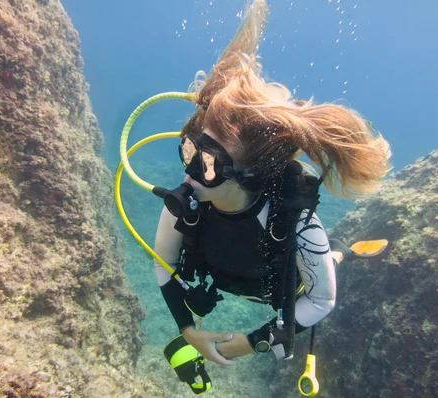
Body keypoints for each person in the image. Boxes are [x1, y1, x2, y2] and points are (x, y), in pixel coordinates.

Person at [154, 0, 391, 367]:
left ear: (246, 174)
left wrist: (253, 341)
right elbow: (162, 265)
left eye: (207, 163)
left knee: (329, 257)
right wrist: (188, 331)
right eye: (189, 149)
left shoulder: (294, 221)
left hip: (280, 288)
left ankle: (345, 250)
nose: (189, 174)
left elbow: (322, 300)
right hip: (224, 276)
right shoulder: (188, 204)